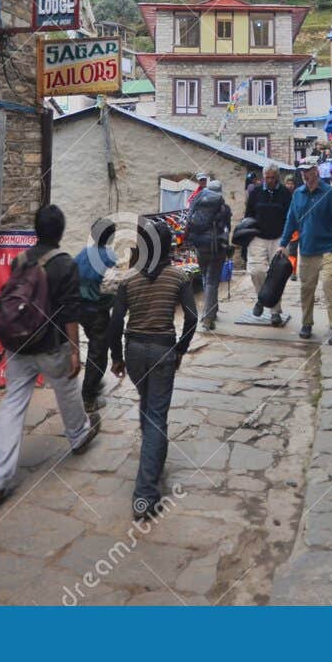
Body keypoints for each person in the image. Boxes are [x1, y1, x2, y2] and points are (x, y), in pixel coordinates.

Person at [0, 205, 100, 507]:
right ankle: (78, 435)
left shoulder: (20, 260)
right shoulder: (65, 264)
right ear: (60, 231)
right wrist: (74, 350)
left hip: (18, 347)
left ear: (36, 230)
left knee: (12, 406)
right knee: (66, 390)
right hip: (51, 345)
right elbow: (71, 311)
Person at [107, 219, 198, 518]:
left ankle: (152, 465)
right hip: (162, 350)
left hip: (134, 351)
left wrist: (116, 357)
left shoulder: (128, 280)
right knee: (157, 415)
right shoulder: (178, 277)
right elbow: (192, 318)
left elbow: (115, 322)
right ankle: (145, 494)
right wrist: (181, 349)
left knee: (148, 407)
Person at [281, 158, 332, 344]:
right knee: (306, 289)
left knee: (329, 284)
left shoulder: (330, 193)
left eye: (308, 170)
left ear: (316, 171)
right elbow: (291, 220)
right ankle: (307, 323)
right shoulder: (298, 195)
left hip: (328, 249)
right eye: (302, 171)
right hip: (308, 250)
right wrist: (283, 243)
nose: (305, 174)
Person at [74, 223, 118, 421]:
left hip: (80, 309)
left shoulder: (83, 253)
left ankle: (94, 381)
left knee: (94, 347)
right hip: (99, 311)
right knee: (98, 354)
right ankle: (88, 397)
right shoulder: (110, 257)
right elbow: (113, 287)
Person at [244, 164, 292, 325]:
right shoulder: (255, 193)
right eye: (267, 177)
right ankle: (262, 299)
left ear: (277, 177)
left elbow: (289, 218)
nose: (270, 180)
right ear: (263, 177)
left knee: (277, 276)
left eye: (272, 177)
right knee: (256, 271)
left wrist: (286, 240)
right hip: (258, 237)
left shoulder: (285, 193)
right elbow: (248, 215)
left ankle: (275, 311)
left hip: (279, 238)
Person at [184, 176, 230, 329]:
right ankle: (207, 318)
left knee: (206, 277)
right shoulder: (224, 208)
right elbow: (226, 230)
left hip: (199, 246)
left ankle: (213, 309)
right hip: (216, 248)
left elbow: (189, 221)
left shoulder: (197, 201)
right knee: (212, 281)